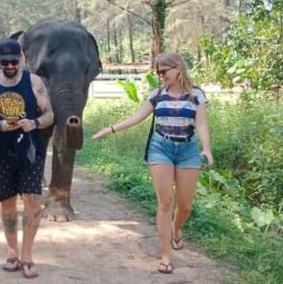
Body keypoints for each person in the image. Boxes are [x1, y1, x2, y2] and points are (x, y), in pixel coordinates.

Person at [91, 51, 213, 275]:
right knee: (166, 202)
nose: (160, 76)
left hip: (187, 150)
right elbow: (137, 118)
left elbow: (202, 124)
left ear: (177, 68)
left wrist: (207, 149)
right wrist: (109, 129)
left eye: (163, 71)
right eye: (158, 72)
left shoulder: (197, 95)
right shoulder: (157, 94)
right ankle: (166, 255)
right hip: (161, 148)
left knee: (185, 205)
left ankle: (176, 229)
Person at [0, 38, 54, 279]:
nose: (9, 66)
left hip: (29, 149)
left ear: (22, 59)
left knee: (32, 200)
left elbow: (49, 114)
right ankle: (12, 252)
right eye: (4, 62)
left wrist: (34, 122)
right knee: (7, 204)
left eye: (13, 62)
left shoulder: (33, 81)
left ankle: (27, 256)